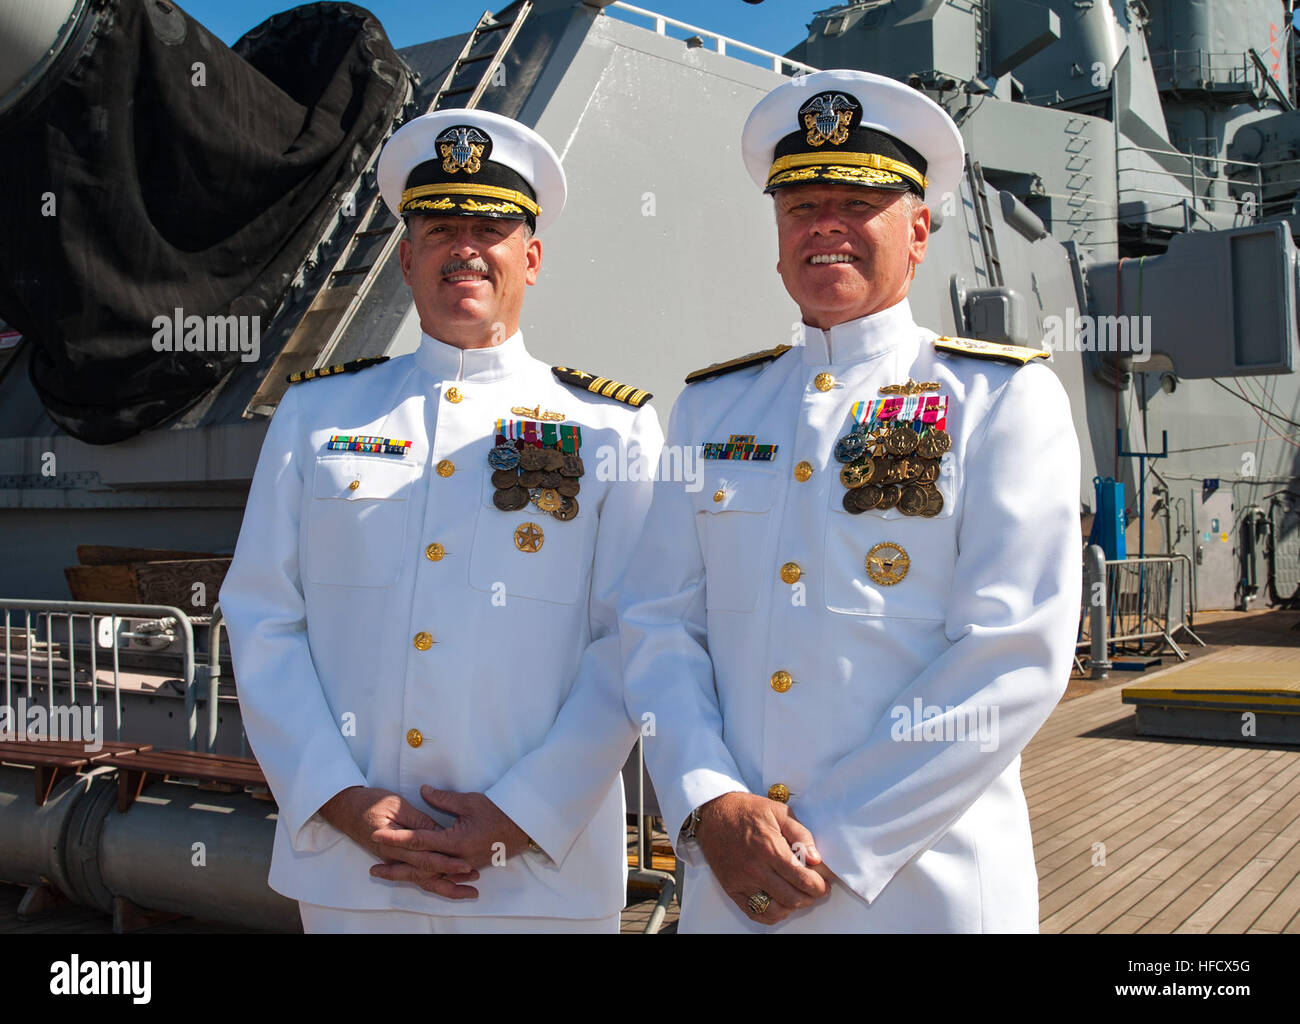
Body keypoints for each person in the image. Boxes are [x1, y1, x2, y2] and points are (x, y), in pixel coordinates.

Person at [619, 69, 1081, 932]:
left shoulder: (999, 400)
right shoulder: (714, 407)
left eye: (855, 202)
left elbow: (1015, 650)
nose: (824, 224)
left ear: (916, 231)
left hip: (919, 888)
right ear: (777, 234)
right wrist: (708, 801)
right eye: (800, 206)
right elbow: (657, 623)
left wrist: (829, 842)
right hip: (733, 880)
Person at [219, 109, 662, 933]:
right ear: (406, 256)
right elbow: (262, 616)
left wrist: (525, 814)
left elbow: (633, 637)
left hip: (541, 878)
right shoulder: (316, 415)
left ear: (530, 256)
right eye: (440, 228)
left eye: (490, 227)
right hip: (358, 868)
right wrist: (336, 797)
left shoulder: (614, 427)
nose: (466, 248)